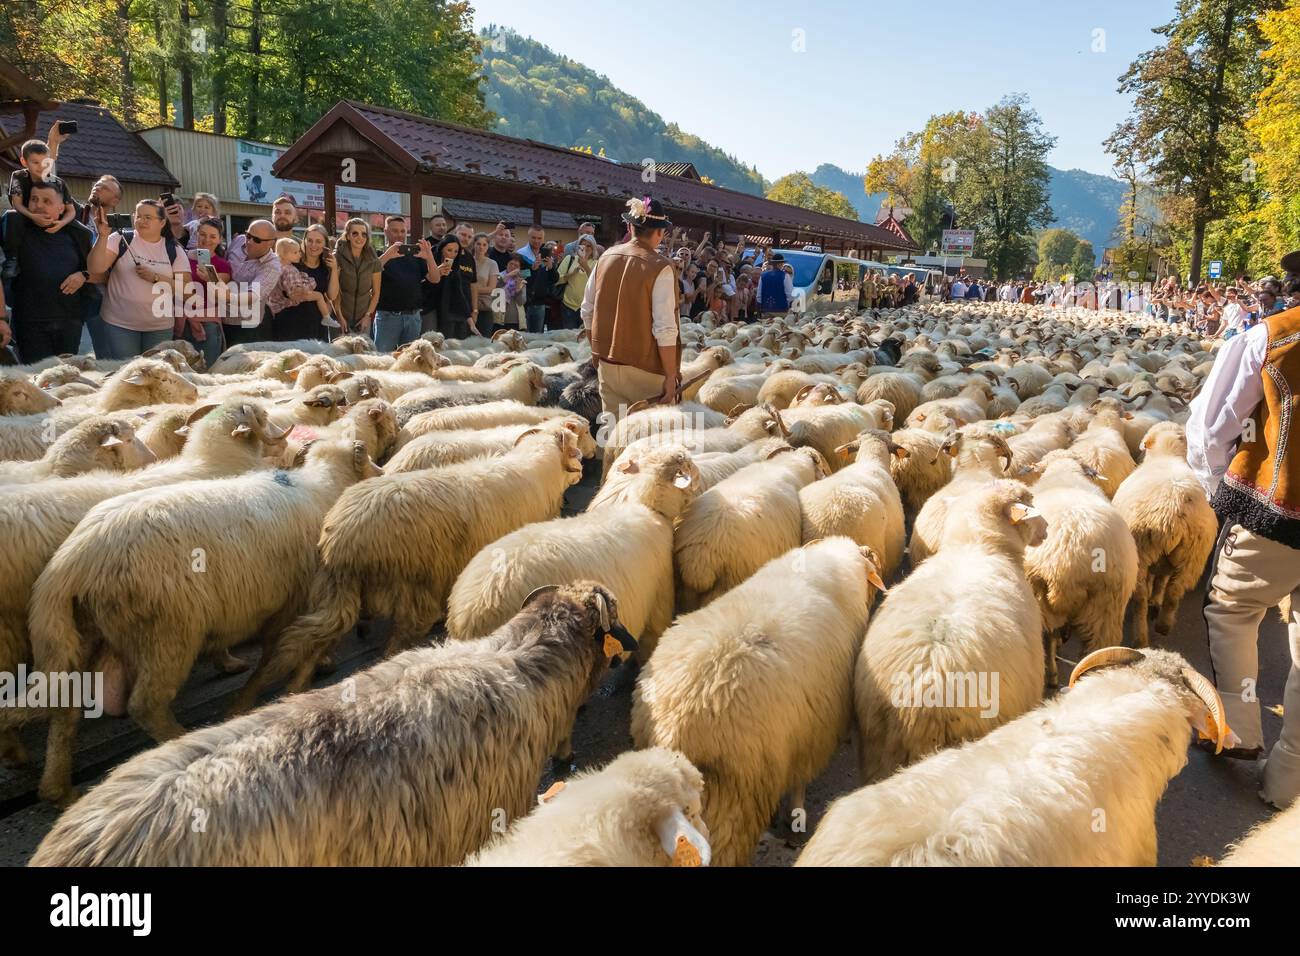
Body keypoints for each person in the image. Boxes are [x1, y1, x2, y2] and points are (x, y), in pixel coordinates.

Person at [1187, 256, 1300, 811]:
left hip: (1277, 510)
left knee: (1233, 609)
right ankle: (1289, 779)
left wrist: (1216, 490)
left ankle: (1241, 729)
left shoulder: (1270, 338)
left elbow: (1212, 425)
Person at [581, 196, 679, 424]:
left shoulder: (605, 257)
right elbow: (664, 328)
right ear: (660, 232)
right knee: (649, 440)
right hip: (645, 368)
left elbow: (587, 309)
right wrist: (671, 375)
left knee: (615, 436)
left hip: (607, 361)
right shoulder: (660, 266)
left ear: (630, 227)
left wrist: (596, 352)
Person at [86, 198, 190, 358]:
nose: (141, 221)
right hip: (119, 324)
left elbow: (187, 290)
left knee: (154, 374)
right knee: (124, 374)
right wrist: (102, 237)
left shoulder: (174, 249)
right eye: (138, 216)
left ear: (162, 223)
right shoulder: (119, 239)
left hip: (159, 327)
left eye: (148, 217)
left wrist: (156, 277)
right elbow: (95, 268)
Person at [6, 180, 94, 363]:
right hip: (30, 322)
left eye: (47, 201)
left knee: (65, 378)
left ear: (61, 208)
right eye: (34, 199)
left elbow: (99, 271)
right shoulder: (16, 229)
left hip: (69, 320)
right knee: (37, 380)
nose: (39, 205)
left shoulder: (78, 234)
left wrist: (83, 275)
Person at [374, 216, 437, 351]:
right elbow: (369, 272)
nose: (400, 235)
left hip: (413, 317)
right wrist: (387, 255)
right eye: (395, 231)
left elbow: (435, 278)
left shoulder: (415, 255)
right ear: (386, 231)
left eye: (403, 231)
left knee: (410, 362)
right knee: (382, 360)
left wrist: (429, 256)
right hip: (388, 317)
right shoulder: (379, 253)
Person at [181, 216, 232, 370]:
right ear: (196, 234)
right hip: (182, 321)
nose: (206, 240)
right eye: (202, 234)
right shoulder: (183, 257)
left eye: (212, 236)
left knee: (207, 369)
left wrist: (210, 276)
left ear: (219, 239)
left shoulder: (223, 264)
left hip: (208, 324)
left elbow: (219, 293)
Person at [268, 231, 337, 341]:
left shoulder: (326, 266)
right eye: (310, 240)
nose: (313, 245)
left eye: (318, 241)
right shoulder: (291, 264)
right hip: (290, 323)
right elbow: (294, 293)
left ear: (325, 244)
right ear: (303, 241)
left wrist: (334, 269)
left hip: (316, 326)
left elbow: (332, 296)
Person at [224, 218, 281, 344]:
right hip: (220, 317)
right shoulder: (239, 240)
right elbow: (223, 263)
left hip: (246, 327)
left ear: (270, 243)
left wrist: (227, 297)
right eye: (248, 235)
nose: (249, 241)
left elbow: (253, 296)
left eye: (256, 240)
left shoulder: (272, 266)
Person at [334, 218, 381, 336]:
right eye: (355, 233)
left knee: (363, 353)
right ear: (348, 236)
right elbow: (335, 292)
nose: (360, 237)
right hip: (340, 316)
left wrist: (367, 316)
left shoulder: (373, 259)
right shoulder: (337, 257)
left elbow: (376, 293)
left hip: (363, 319)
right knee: (339, 353)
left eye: (364, 234)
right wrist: (339, 316)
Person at [434, 231, 479, 340]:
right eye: (449, 250)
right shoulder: (431, 259)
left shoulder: (455, 266)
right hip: (434, 311)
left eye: (456, 251)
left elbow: (459, 292)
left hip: (455, 311)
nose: (452, 254)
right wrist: (436, 272)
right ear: (441, 248)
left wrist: (470, 319)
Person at [472, 232, 502, 335]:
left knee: (484, 341)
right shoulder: (468, 260)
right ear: (473, 245)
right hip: (468, 306)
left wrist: (472, 289)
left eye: (484, 244)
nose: (481, 247)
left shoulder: (492, 264)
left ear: (488, 246)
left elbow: (491, 288)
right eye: (478, 244)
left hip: (484, 307)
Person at [524, 240, 557, 333]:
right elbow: (527, 279)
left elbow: (555, 279)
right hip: (527, 303)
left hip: (540, 303)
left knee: (538, 333)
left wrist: (551, 268)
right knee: (526, 332)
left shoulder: (550, 265)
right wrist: (534, 268)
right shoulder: (527, 260)